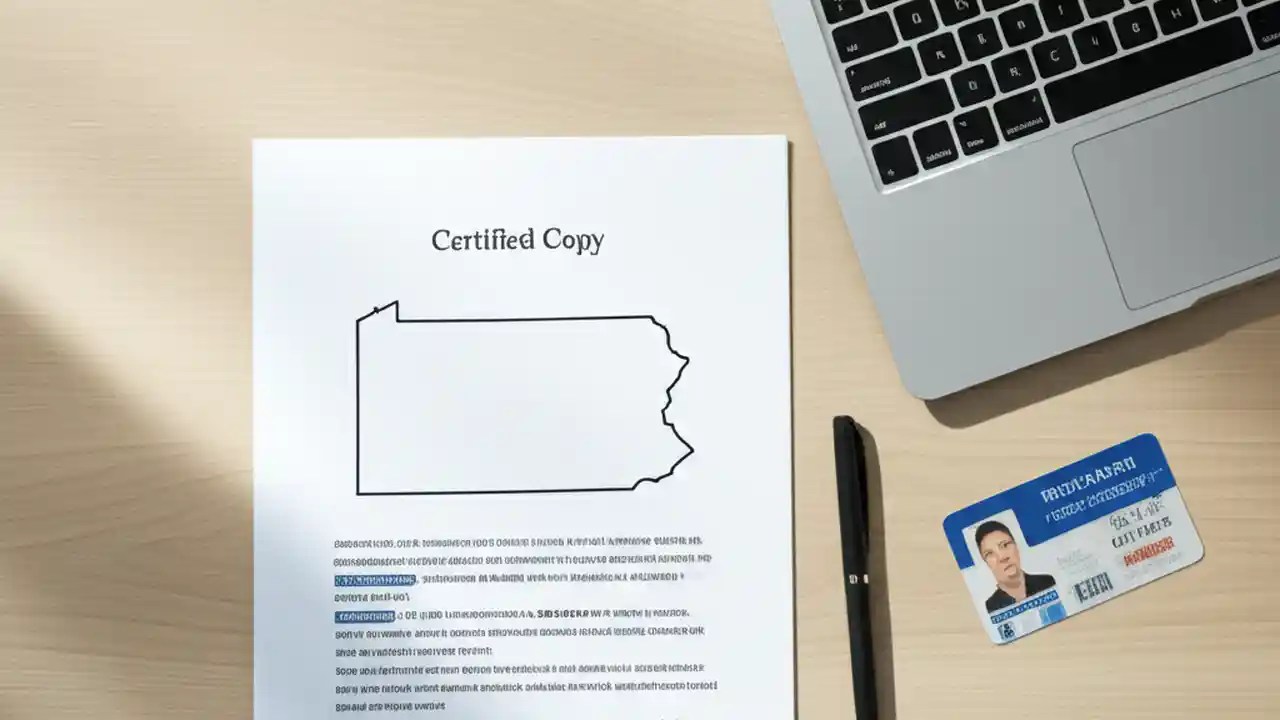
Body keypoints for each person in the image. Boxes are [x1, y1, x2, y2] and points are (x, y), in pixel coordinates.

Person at [974, 520, 1056, 612]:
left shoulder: (1047, 582)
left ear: (1016, 546)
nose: (1002, 557)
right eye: (989, 553)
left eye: (1005, 545)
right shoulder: (991, 606)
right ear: (986, 562)